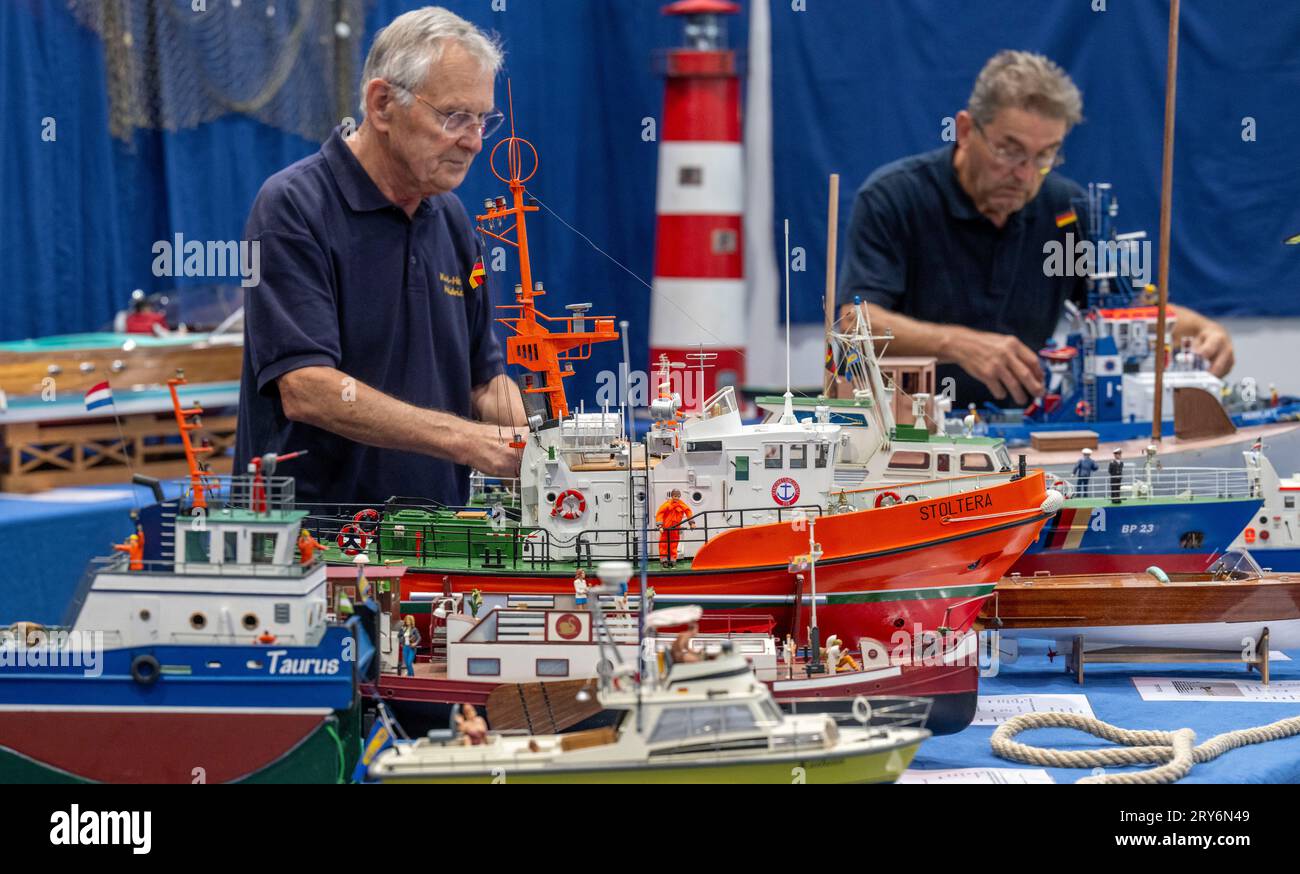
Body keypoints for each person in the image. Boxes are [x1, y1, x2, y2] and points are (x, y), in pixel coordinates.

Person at [234, 7, 528, 507]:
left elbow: (484, 380)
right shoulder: (294, 207)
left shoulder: (454, 220)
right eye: (455, 116)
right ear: (383, 103)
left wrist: (546, 447)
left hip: (437, 539)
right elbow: (307, 388)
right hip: (317, 544)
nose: (474, 141)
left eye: (483, 120)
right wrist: (467, 441)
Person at [837, 50, 1234, 409]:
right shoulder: (895, 197)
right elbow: (854, 323)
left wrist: (1202, 330)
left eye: (1045, 155)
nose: (1025, 174)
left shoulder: (1067, 213)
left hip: (1023, 431)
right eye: (1008, 151)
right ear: (965, 129)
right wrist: (956, 344)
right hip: (906, 429)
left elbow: (1125, 310)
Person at [655, 489, 695, 568]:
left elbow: (688, 512)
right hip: (666, 529)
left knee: (674, 544)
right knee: (663, 544)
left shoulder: (681, 504)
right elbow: (660, 514)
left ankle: (673, 559)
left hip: (676, 529)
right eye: (675, 496)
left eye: (678, 496)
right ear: (672, 496)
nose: (676, 498)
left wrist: (692, 523)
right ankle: (664, 560)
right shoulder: (667, 504)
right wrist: (660, 526)